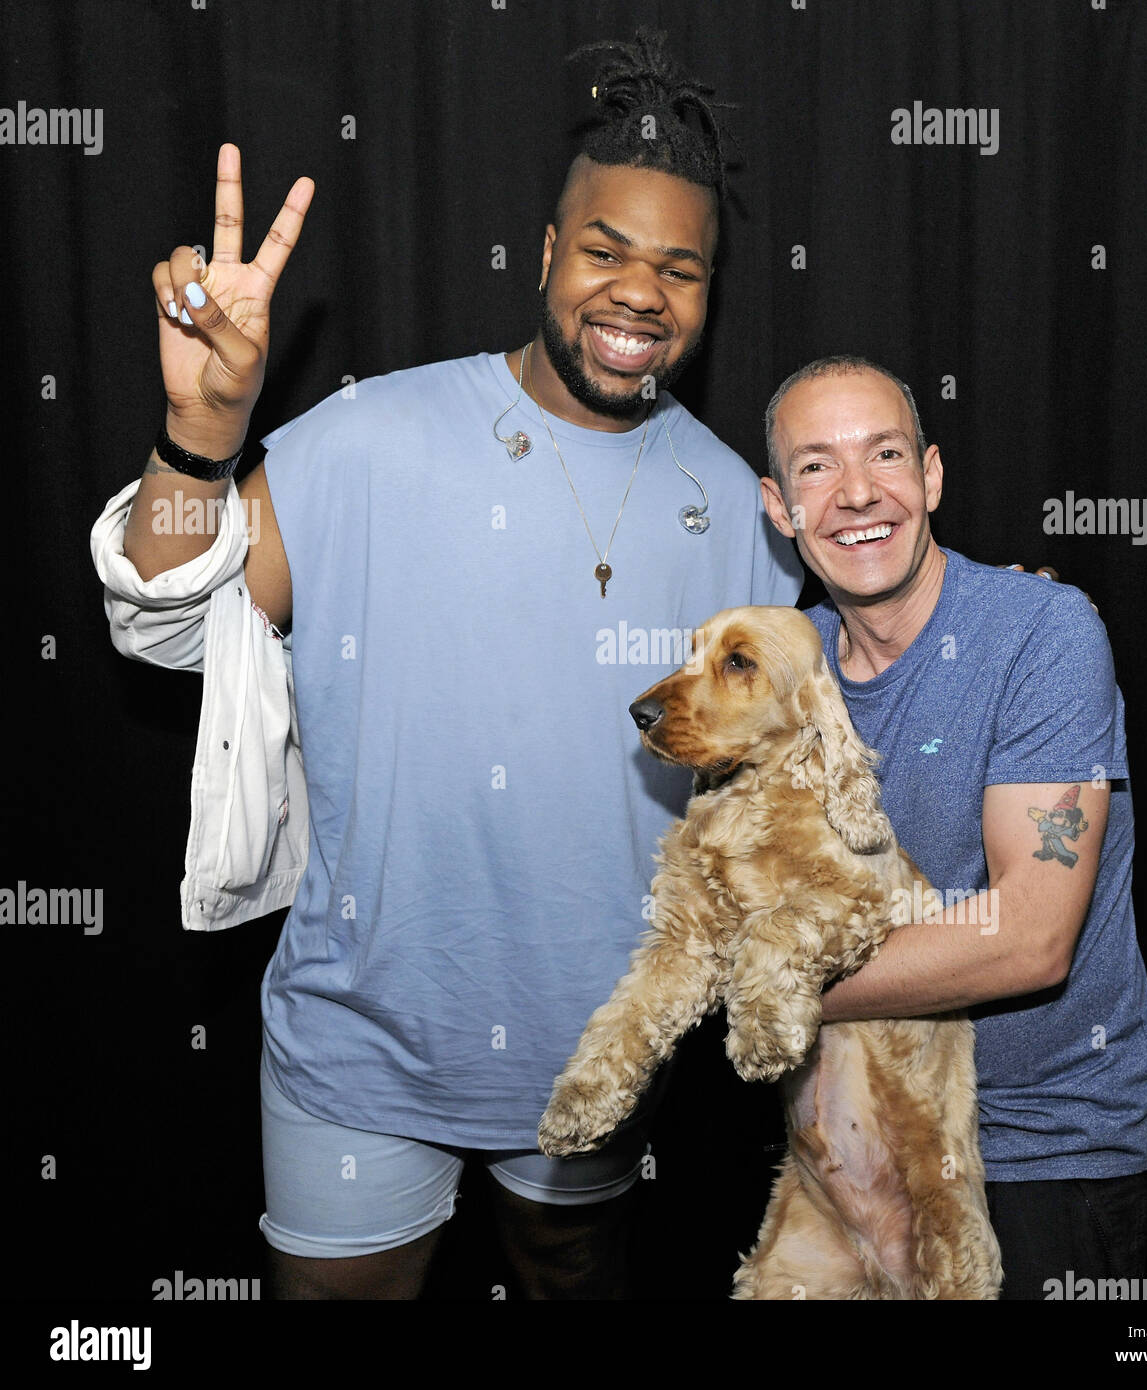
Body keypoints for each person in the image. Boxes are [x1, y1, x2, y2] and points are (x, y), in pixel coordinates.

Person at [91, 31, 802, 1300]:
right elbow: (168, 624)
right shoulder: (369, 437)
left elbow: (791, 748)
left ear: (708, 295)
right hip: (359, 1038)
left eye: (678, 270)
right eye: (603, 250)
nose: (639, 292)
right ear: (543, 253)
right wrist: (200, 433)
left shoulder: (739, 509)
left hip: (598, 1044)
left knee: (570, 1273)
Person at [758, 356, 1147, 1300]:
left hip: (1040, 1150)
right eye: (816, 467)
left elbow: (1030, 938)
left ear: (931, 476)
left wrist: (759, 991)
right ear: (779, 508)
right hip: (846, 1152)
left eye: (884, 453)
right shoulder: (783, 667)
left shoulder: (1042, 632)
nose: (857, 492)